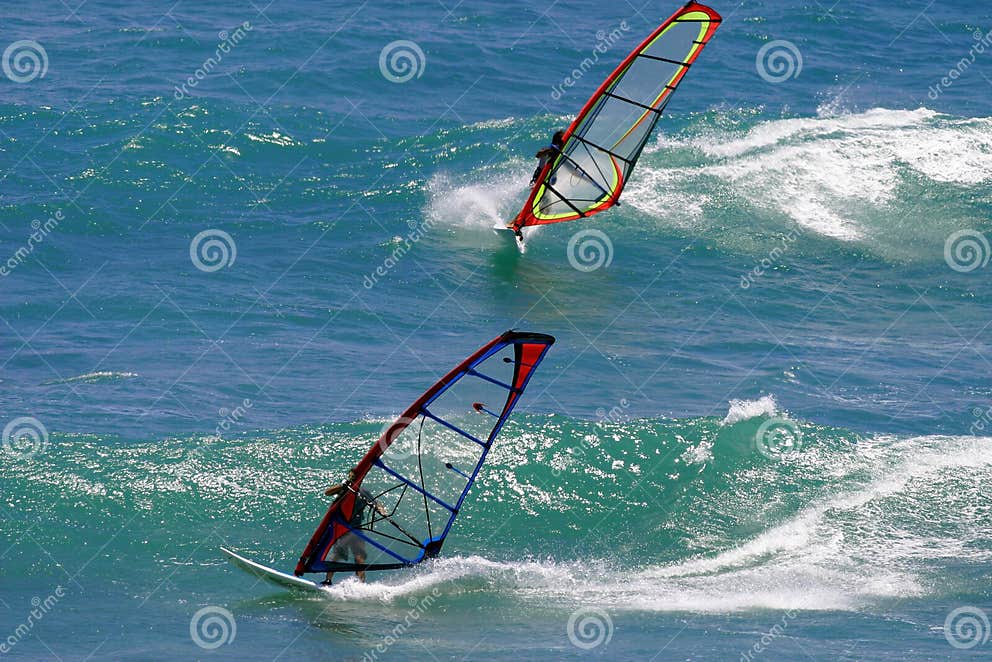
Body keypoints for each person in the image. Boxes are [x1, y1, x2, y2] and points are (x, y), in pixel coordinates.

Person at [321, 472, 385, 585]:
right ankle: (328, 580)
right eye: (350, 476)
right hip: (342, 528)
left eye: (353, 477)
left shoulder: (363, 492)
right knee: (336, 555)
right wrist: (342, 486)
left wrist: (381, 510)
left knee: (359, 558)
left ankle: (361, 585)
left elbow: (376, 503)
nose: (351, 478)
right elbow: (327, 492)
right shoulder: (344, 489)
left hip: (356, 529)